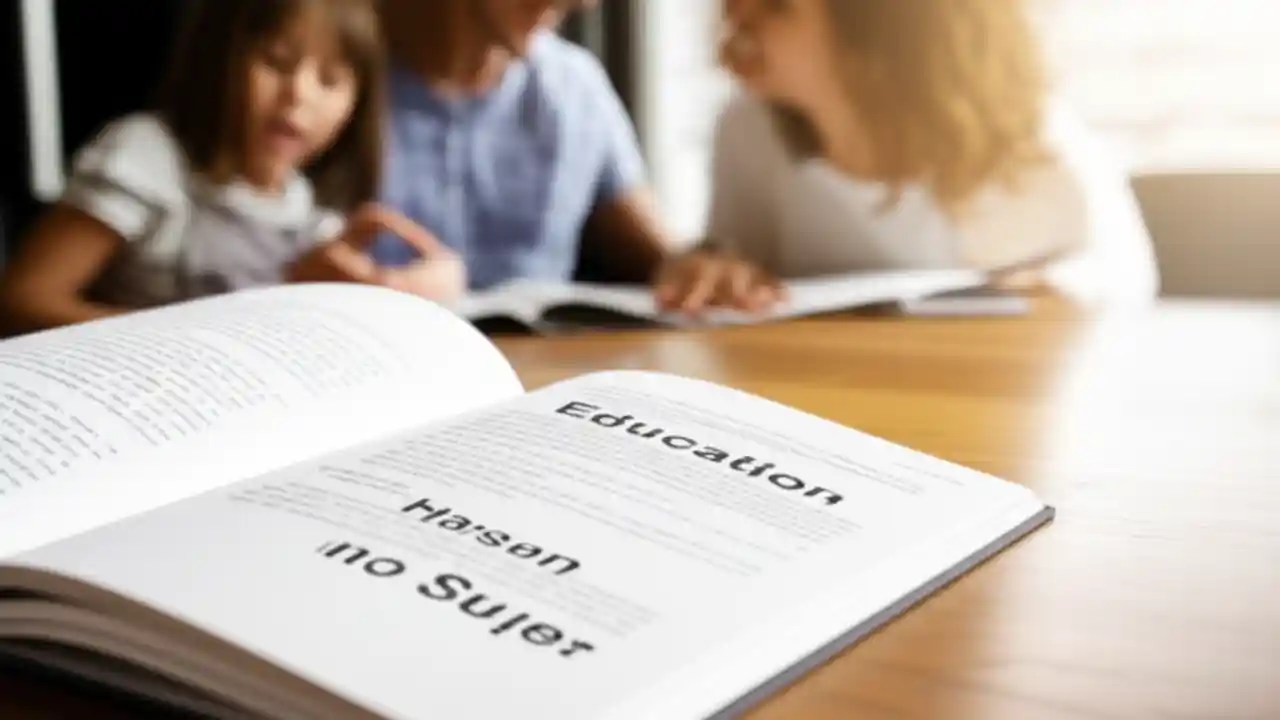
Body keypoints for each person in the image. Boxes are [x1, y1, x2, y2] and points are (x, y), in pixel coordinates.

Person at [654, 0, 1160, 313]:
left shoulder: (1022, 149)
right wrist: (716, 269)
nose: (735, 13)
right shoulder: (749, 129)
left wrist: (1050, 293)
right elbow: (741, 263)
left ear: (875, 36)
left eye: (778, 4)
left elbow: (1122, 283)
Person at [0, 0, 462, 336]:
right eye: (276, 62)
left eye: (329, 80)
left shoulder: (308, 210)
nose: (298, 95)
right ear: (220, 56)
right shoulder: (147, 159)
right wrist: (185, 340)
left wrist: (386, 289)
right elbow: (22, 301)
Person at [374, 0, 674, 291]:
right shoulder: (338, 76)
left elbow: (661, 254)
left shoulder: (576, 87)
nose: (585, 3)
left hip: (540, 341)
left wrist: (700, 264)